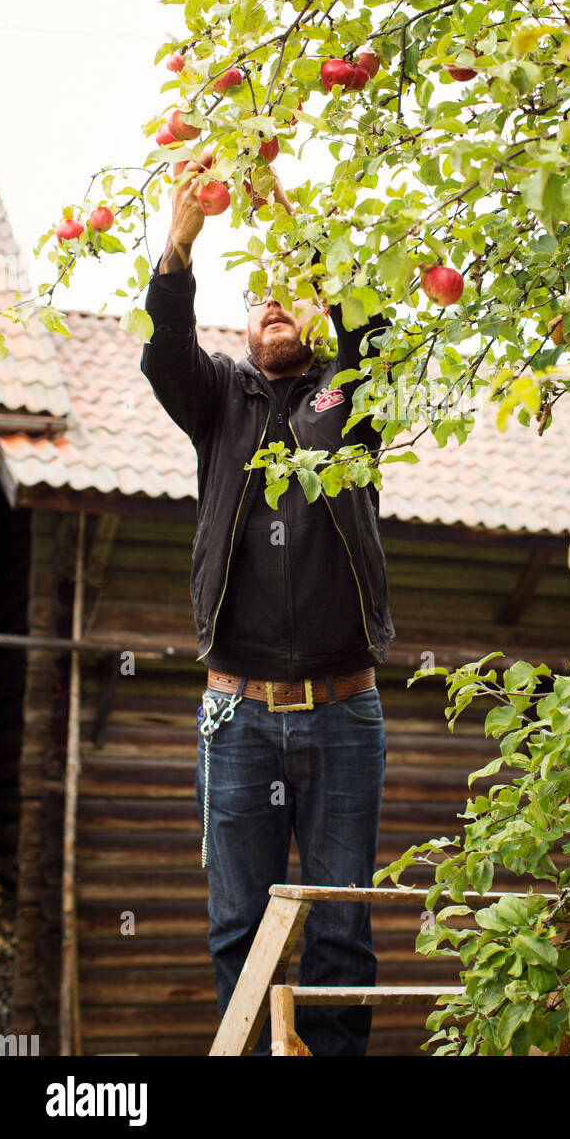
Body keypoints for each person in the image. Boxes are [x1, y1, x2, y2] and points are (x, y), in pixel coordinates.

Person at [139, 149, 394, 1056]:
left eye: (290, 292)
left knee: (339, 928)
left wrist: (288, 220)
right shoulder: (217, 400)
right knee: (240, 927)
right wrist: (180, 244)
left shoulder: (350, 396)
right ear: (242, 329)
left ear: (316, 315)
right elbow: (164, 351)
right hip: (236, 714)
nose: (275, 304)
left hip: (343, 711)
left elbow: (373, 329)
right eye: (259, 298)